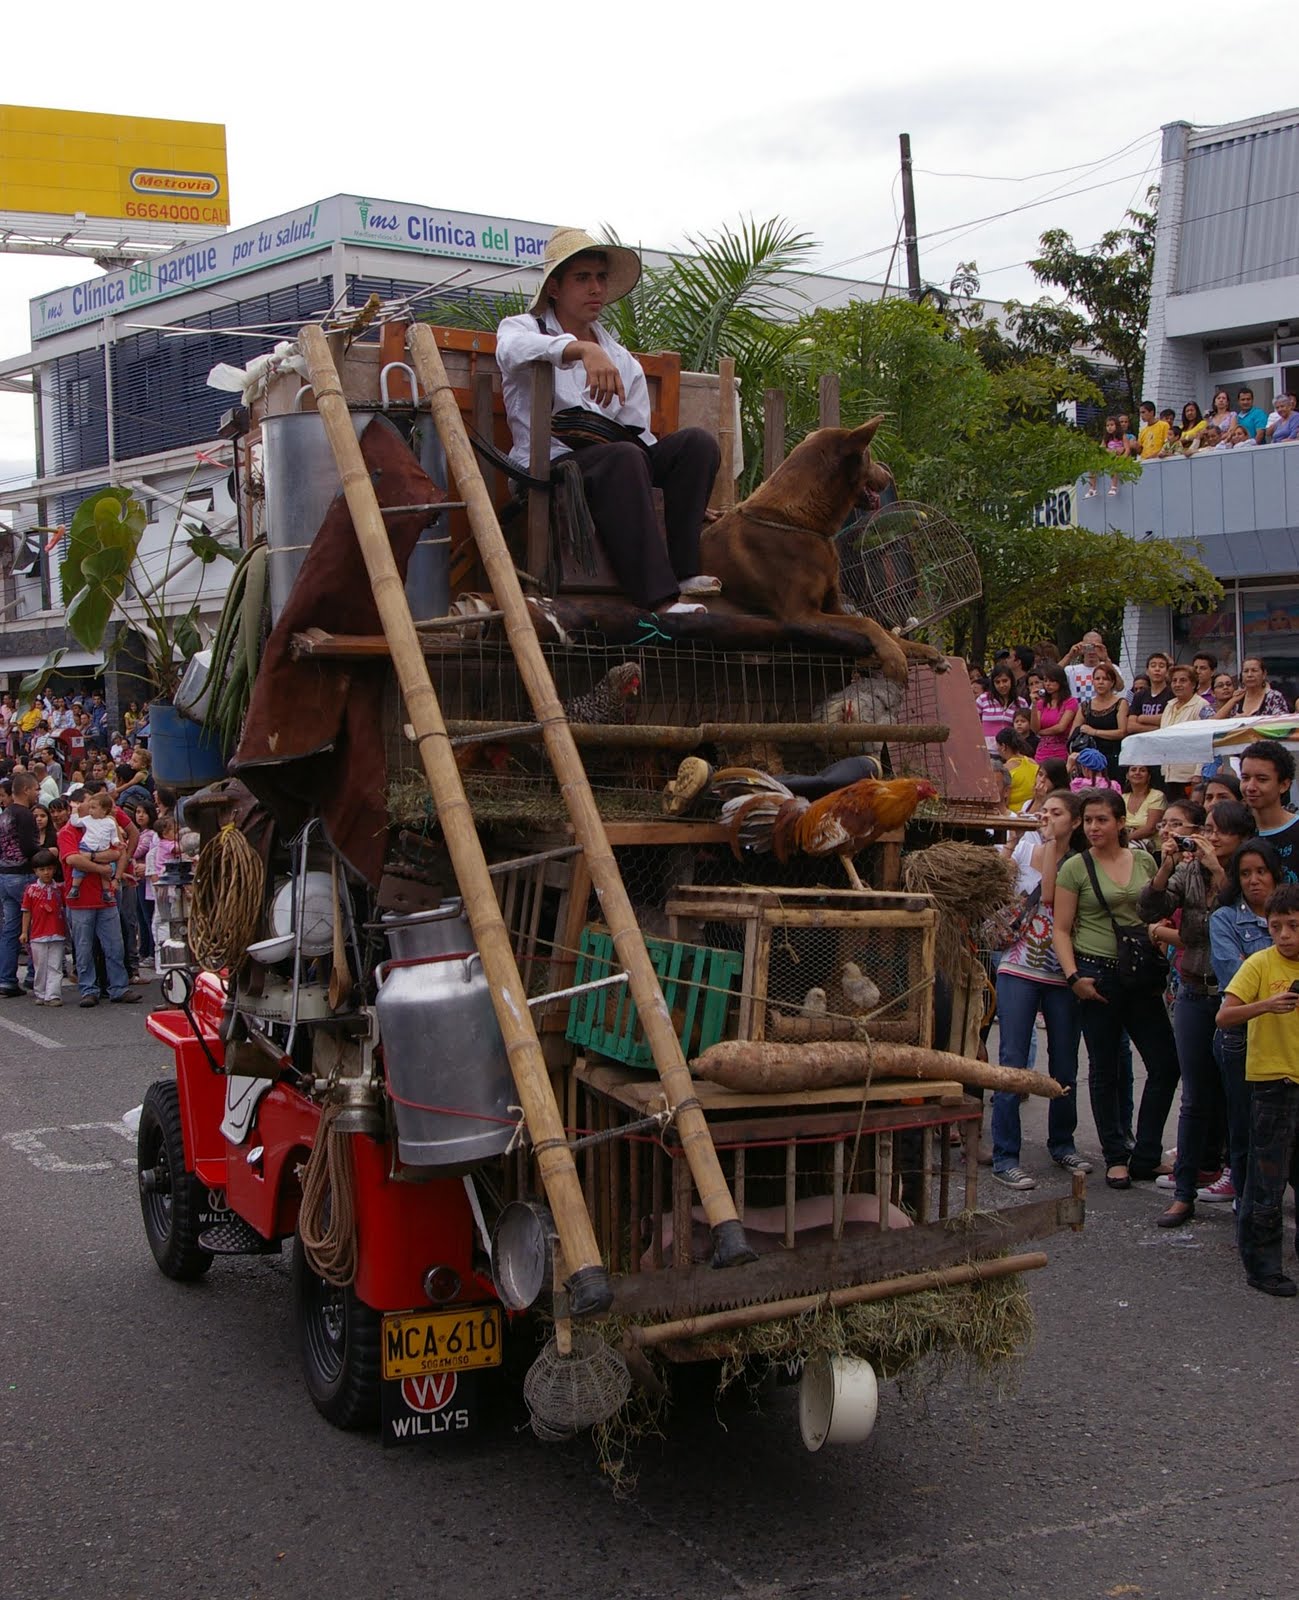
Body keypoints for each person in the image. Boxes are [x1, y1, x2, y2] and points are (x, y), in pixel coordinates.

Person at [496, 228, 720, 616]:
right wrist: (581, 349)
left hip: (614, 465)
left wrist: (685, 489)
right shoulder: (523, 328)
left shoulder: (619, 356)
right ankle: (659, 599)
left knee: (696, 445)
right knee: (622, 458)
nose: (595, 288)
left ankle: (684, 573)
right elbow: (511, 350)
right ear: (554, 287)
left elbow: (640, 435)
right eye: (582, 278)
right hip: (549, 466)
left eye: (600, 278)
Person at [1052, 790, 1180, 1188]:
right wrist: (1074, 978)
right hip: (1097, 973)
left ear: (1121, 823)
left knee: (1165, 1064)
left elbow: (1155, 908)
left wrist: (1167, 869)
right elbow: (1060, 928)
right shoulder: (1075, 866)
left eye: (1102, 820)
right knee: (1104, 1068)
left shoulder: (1143, 859)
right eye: (1088, 820)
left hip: (1140, 973)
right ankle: (1115, 1156)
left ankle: (1146, 1152)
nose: (1093, 828)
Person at [1140, 800, 1253, 1226]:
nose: (1213, 837)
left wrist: (1221, 872)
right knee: (1194, 1098)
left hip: (1235, 998)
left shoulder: (1248, 877)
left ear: (1241, 839)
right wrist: (1167, 866)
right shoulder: (1189, 871)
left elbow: (1239, 915)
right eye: (1208, 828)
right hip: (1191, 990)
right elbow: (1148, 910)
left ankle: (1242, 1191)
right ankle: (1184, 1192)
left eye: (1222, 831)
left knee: (1238, 1098)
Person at [991, 790, 1092, 1188]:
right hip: (1019, 966)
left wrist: (1051, 845)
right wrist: (1019, 840)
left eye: (1056, 813)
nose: (1046, 817)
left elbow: (1052, 892)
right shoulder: (1028, 852)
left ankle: (1062, 1143)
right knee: (1012, 1063)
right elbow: (1018, 886)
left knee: (1064, 1063)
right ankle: (1005, 1155)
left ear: (1076, 821)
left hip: (1062, 972)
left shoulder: (1081, 864)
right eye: (1044, 811)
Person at [1218, 883, 1299, 1296]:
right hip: (1272, 1085)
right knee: (1266, 1181)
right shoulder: (1260, 965)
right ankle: (1262, 1265)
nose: (1285, 935)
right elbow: (1225, 1016)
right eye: (1277, 926)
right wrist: (1267, 1006)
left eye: (1294, 927)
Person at [1210, 836, 1283, 1205]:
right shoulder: (1224, 918)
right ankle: (1246, 1197)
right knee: (1243, 1122)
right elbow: (1233, 976)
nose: (1254, 880)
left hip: (1286, 1037)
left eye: (1261, 872)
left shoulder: (1289, 915)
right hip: (1241, 1034)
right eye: (1245, 874)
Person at [56, 789, 139, 1009]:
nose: (90, 807)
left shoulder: (105, 825)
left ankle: (118, 988)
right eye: (87, 803)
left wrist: (111, 873)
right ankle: (88, 989)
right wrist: (102, 868)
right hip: (80, 900)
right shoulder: (68, 831)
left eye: (93, 804)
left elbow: (117, 852)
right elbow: (72, 859)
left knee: (115, 945)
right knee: (84, 948)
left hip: (106, 898)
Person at [0, 770, 41, 998]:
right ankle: (35, 975)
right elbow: (29, 847)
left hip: (5, 874)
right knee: (35, 925)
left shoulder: (4, 814)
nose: (37, 793)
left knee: (10, 929)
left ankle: (6, 979)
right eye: (36, 789)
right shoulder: (25, 815)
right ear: (26, 790)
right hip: (23, 875)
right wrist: (48, 853)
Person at [1238, 739, 1299, 878]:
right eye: (1245, 778)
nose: (1250, 787)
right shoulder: (1236, 832)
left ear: (1284, 785)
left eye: (1262, 779)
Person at [20, 849, 66, 1006]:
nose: (46, 873)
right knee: (40, 966)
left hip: (57, 932)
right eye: (42, 870)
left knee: (56, 965)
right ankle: (40, 992)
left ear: (54, 869)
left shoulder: (59, 889)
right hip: (38, 934)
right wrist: (24, 931)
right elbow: (26, 911)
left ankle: (53, 995)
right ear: (35, 871)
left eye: (49, 869)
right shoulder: (31, 890)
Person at [1159, 663, 1213, 794]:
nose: (1177, 684)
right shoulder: (1169, 706)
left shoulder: (1202, 705)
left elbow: (1206, 741)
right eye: (1174, 681)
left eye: (1183, 680)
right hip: (1169, 773)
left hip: (1190, 775)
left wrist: (1198, 773)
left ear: (1193, 684)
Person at [1074, 661, 1128, 780]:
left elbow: (1122, 732)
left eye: (1105, 679)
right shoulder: (1086, 705)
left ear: (1112, 682)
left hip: (1113, 756)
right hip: (1090, 758)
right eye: (1097, 678)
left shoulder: (1121, 703)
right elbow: (1074, 732)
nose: (1101, 682)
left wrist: (1095, 732)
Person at [66, 791, 121, 902]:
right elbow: (75, 822)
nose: (90, 810)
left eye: (93, 808)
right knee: (79, 869)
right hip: (87, 845)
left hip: (103, 848)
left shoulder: (110, 823)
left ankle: (106, 892)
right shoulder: (87, 820)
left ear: (104, 810)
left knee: (106, 872)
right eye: (90, 807)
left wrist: (117, 843)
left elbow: (114, 838)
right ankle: (75, 888)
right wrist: (75, 810)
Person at [1030, 664, 1079, 764]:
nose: (1048, 684)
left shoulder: (1070, 702)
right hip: (1042, 750)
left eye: (1052, 681)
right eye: (1045, 681)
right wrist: (1034, 705)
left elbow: (1061, 727)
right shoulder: (1041, 703)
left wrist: (1042, 732)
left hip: (1060, 750)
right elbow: (1035, 728)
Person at [1216, 656, 1289, 721]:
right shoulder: (1237, 699)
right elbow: (1214, 722)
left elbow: (1282, 724)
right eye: (1246, 671)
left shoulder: (1274, 697)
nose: (1249, 675)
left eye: (1254, 670)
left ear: (1264, 674)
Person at [1061, 632, 1125, 702]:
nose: (1091, 652)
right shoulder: (1071, 670)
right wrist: (1069, 656)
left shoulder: (1110, 667)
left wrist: (1106, 659)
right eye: (1088, 647)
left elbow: (1120, 687)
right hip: (1078, 711)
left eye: (1095, 647)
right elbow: (1050, 675)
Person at [975, 665, 1026, 749]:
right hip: (987, 752)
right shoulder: (983, 699)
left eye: (1005, 681)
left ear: (1011, 681)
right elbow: (973, 724)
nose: (1001, 685)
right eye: (997, 682)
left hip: (1011, 752)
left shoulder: (1021, 703)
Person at [1123, 763, 1166, 846]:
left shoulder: (1157, 796)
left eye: (1142, 770)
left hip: (1151, 849)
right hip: (1126, 848)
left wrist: (1124, 840)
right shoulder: (1123, 797)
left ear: (1149, 776)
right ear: (1127, 775)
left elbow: (1151, 828)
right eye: (1133, 770)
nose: (1137, 773)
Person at [1129, 652, 1173, 732]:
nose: (1157, 669)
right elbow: (1131, 726)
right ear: (1147, 671)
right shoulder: (1139, 695)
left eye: (1161, 666)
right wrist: (1158, 728)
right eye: (1153, 666)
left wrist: (1141, 718)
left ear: (1167, 672)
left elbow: (1171, 719)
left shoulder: (1172, 694)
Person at [1086, 416, 1128, 498]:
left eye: (1112, 425)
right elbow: (1101, 449)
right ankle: (1092, 488)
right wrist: (1110, 451)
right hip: (1107, 458)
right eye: (1107, 425)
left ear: (1116, 425)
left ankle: (1114, 487)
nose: (1109, 427)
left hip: (1117, 458)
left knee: (1114, 463)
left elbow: (1127, 449)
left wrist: (1123, 457)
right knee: (1092, 465)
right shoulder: (1106, 438)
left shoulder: (1122, 436)